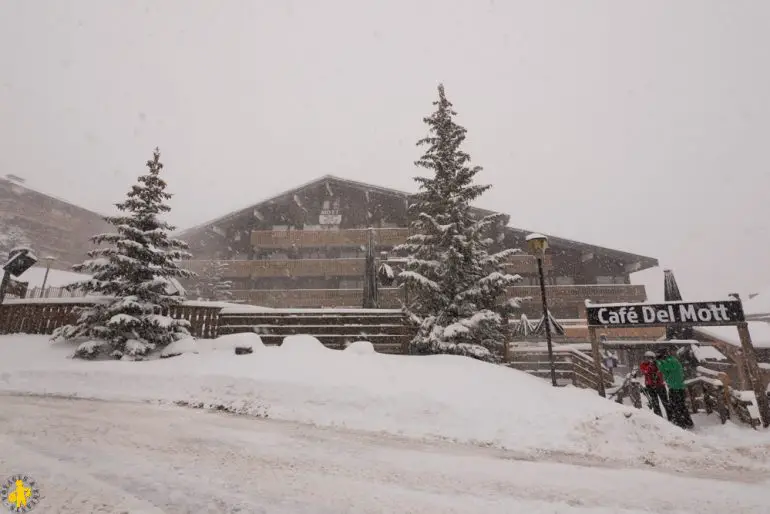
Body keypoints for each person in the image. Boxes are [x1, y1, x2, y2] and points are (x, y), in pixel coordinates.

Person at [657, 348, 694, 429]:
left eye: (660, 356)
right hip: (674, 387)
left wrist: (659, 361)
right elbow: (663, 370)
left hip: (678, 387)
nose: (660, 358)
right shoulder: (668, 361)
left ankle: (681, 423)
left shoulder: (672, 361)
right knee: (678, 405)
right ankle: (686, 422)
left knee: (678, 406)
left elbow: (666, 367)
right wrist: (660, 362)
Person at [639, 351, 669, 418]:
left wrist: (655, 365)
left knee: (665, 402)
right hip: (650, 386)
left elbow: (661, 370)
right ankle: (659, 418)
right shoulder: (643, 365)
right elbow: (645, 371)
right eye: (646, 358)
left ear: (653, 358)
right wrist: (651, 366)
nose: (647, 359)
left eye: (649, 358)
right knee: (655, 404)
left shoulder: (658, 363)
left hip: (660, 385)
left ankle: (671, 417)